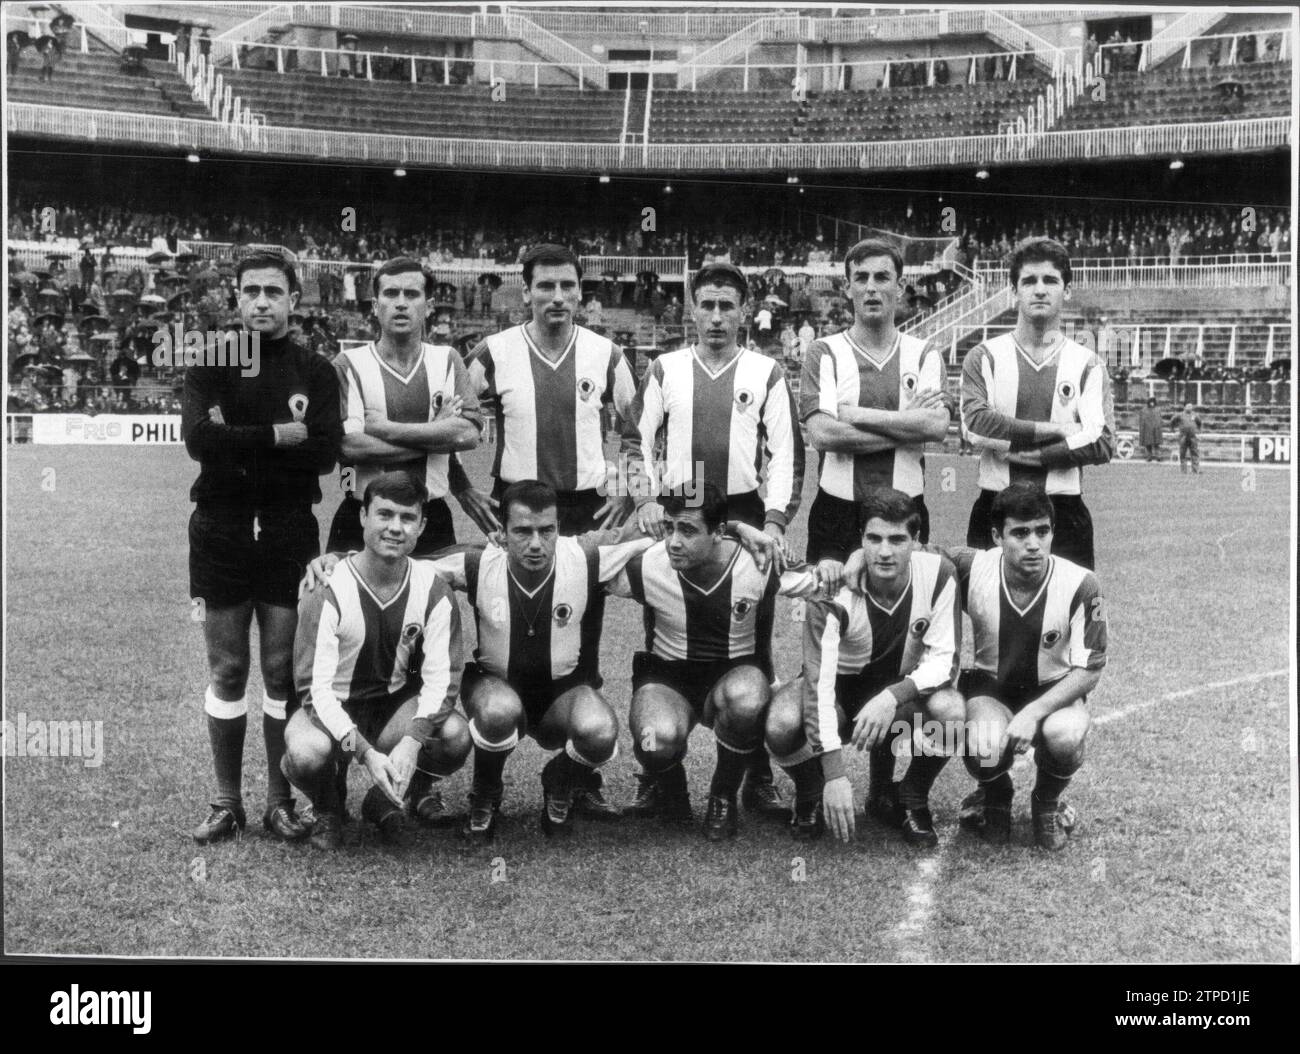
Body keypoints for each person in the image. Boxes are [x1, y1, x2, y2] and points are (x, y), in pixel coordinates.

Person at [623, 261, 804, 815]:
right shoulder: (664, 369)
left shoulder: (766, 372)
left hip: (745, 517)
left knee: (754, 639)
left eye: (729, 306)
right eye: (708, 305)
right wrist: (646, 499)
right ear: (691, 311)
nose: (718, 317)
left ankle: (756, 772)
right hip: (681, 514)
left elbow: (788, 456)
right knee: (668, 620)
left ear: (745, 312)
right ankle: (661, 774)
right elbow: (634, 439)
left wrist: (773, 524)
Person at [183, 249, 342, 845]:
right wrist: (277, 435)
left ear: (294, 300)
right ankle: (227, 801)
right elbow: (199, 440)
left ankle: (279, 800)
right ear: (236, 297)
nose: (260, 302)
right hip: (220, 527)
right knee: (228, 668)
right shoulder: (209, 361)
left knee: (279, 671)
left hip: (287, 528)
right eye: (250, 291)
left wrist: (237, 441)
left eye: (273, 292)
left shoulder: (314, 369)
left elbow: (323, 451)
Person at [607, 483, 830, 841]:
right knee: (653, 740)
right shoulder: (648, 564)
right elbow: (581, 564)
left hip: (732, 676)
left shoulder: (757, 563)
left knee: (749, 699)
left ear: (719, 533)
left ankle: (722, 793)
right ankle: (671, 788)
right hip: (668, 679)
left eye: (688, 530)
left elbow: (821, 584)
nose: (674, 541)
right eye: (669, 528)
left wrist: (849, 565)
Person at [765, 488, 962, 846]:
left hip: (898, 696)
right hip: (840, 693)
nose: (884, 551)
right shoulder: (832, 591)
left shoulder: (939, 573)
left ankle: (910, 798)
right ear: (861, 540)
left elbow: (943, 661)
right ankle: (811, 792)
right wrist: (835, 775)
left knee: (950, 711)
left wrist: (891, 697)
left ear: (916, 541)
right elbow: (818, 686)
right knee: (781, 723)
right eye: (874, 538)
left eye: (897, 539)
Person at [286, 473, 472, 849]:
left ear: (421, 526)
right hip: (328, 709)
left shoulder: (433, 589)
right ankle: (328, 806)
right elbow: (314, 689)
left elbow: (443, 680)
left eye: (407, 518)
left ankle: (384, 800)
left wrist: (412, 742)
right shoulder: (328, 588)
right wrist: (366, 753)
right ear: (363, 519)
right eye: (384, 515)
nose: (395, 527)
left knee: (454, 736)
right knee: (306, 754)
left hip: (391, 708)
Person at [950, 483, 1106, 852]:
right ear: (996, 536)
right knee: (983, 743)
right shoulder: (972, 566)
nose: (1033, 543)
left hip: (1052, 690)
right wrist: (859, 557)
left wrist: (1034, 712)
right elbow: (917, 554)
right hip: (991, 688)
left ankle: (1047, 801)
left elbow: (1089, 669)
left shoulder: (1082, 584)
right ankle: (995, 793)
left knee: (1067, 734)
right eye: (1020, 533)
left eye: (1042, 531)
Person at [449, 244, 637, 538]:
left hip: (588, 505)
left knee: (588, 585)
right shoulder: (492, 352)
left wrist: (630, 490)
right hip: (516, 503)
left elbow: (644, 428)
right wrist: (462, 489)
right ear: (526, 292)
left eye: (567, 286)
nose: (558, 297)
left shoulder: (607, 354)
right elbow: (444, 424)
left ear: (579, 292)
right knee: (516, 585)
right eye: (546, 286)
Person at [960, 237, 1115, 570]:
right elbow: (974, 425)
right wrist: (1061, 430)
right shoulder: (984, 356)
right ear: (1014, 291)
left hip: (1064, 510)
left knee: (1065, 616)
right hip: (995, 505)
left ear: (1067, 290)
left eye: (1051, 281)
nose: (1040, 290)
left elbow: (1102, 441)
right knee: (991, 618)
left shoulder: (1087, 363)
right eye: (1029, 281)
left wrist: (1041, 456)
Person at [801, 238, 948, 564]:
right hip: (837, 509)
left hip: (905, 508)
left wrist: (855, 415)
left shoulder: (925, 354)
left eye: (882, 278)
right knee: (829, 610)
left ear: (900, 287)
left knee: (901, 612)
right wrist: (907, 424)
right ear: (847, 287)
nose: (871, 287)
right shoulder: (823, 352)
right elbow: (824, 435)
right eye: (861, 277)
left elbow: (936, 426)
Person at [328, 258, 482, 560]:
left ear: (429, 305)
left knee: (430, 606)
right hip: (362, 514)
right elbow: (349, 447)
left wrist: (385, 428)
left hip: (431, 516)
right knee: (353, 606)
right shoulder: (348, 364)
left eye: (411, 294)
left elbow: (468, 435)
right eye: (390, 294)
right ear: (374, 304)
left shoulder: (448, 360)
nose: (401, 303)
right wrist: (437, 436)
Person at [1170, 402, 1201, 474]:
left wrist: (1199, 430)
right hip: (1183, 437)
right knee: (1182, 454)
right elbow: (1172, 421)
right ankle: (1184, 471)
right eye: (1188, 406)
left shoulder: (1195, 415)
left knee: (1194, 453)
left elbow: (1199, 422)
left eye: (1191, 406)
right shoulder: (1180, 415)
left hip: (1192, 437)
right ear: (1185, 407)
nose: (1189, 408)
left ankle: (1195, 470)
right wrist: (1172, 429)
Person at [1137, 396, 1163, 461]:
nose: (1152, 403)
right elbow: (1142, 420)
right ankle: (1149, 456)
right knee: (1148, 445)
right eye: (1150, 402)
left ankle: (1158, 456)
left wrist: (1158, 427)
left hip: (1156, 430)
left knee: (1156, 444)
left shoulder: (1157, 410)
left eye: (1153, 402)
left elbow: (1159, 420)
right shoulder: (1144, 410)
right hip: (1147, 430)